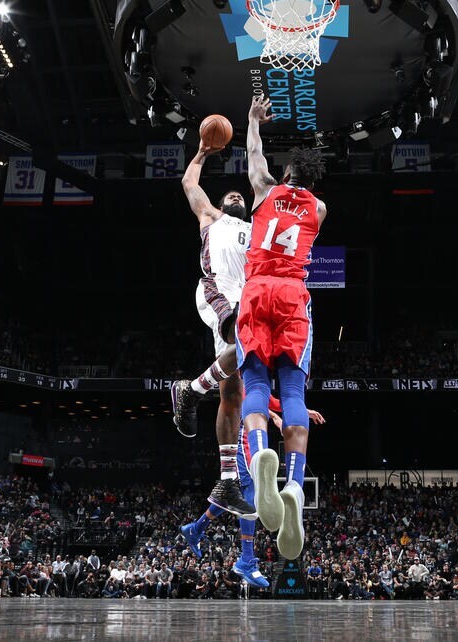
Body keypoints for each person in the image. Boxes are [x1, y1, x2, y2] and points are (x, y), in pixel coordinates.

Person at [238, 95, 327, 561]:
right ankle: (293, 481)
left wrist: (253, 121)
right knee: (293, 396)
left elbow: (254, 157)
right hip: (294, 295)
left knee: (254, 382)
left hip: (256, 289)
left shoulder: (264, 192)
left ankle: (258, 460)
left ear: (288, 173)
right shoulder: (320, 209)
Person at [170, 137, 256, 518]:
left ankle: (226, 481)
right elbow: (190, 185)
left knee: (232, 396)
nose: (236, 197)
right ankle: (189, 392)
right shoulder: (211, 216)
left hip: (244, 301)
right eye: (231, 195)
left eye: (241, 195)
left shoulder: (257, 232)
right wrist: (202, 152)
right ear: (222, 205)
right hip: (218, 291)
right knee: (245, 340)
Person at [179, 405, 324, 590]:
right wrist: (286, 413)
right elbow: (251, 396)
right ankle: (246, 559)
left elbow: (259, 397)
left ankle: (196, 528)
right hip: (241, 433)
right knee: (252, 489)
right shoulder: (241, 381)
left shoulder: (250, 383)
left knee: (235, 492)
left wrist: (286, 413)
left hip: (243, 430)